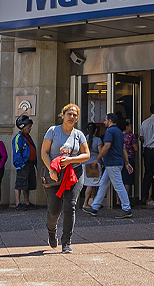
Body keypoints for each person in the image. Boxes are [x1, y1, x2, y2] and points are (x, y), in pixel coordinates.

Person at [40, 103, 91, 254]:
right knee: (54, 210)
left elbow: (86, 155)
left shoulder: (78, 135)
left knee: (70, 205)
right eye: (69, 114)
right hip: (54, 174)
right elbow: (44, 152)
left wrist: (70, 160)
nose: (72, 117)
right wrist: (50, 169)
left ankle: (66, 242)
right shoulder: (53, 131)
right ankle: (51, 230)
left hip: (74, 174)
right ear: (63, 115)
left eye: (75, 115)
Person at [85, 112, 132, 218]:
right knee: (103, 184)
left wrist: (97, 159)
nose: (104, 122)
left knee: (118, 185)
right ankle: (95, 206)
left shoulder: (109, 132)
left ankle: (126, 208)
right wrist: (126, 163)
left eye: (106, 120)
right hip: (116, 163)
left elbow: (106, 146)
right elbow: (123, 149)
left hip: (112, 163)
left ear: (110, 121)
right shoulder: (119, 132)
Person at [12, 115, 38, 210]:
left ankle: (27, 202)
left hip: (30, 163)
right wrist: (21, 164)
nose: (30, 128)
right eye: (28, 127)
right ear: (23, 127)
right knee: (19, 183)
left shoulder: (28, 137)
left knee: (27, 184)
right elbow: (17, 151)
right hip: (23, 164)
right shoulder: (19, 137)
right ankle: (18, 203)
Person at [81, 122, 104, 210]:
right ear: (96, 130)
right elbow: (101, 152)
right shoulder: (98, 140)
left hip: (85, 163)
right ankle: (85, 203)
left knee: (91, 184)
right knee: (91, 184)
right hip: (94, 164)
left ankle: (94, 201)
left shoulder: (84, 139)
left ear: (87, 130)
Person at [121, 118, 137, 189]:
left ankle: (118, 200)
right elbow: (136, 148)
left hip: (119, 159)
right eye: (130, 126)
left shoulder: (118, 135)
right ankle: (125, 199)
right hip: (129, 159)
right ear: (126, 126)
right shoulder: (131, 136)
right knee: (127, 181)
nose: (131, 127)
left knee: (119, 182)